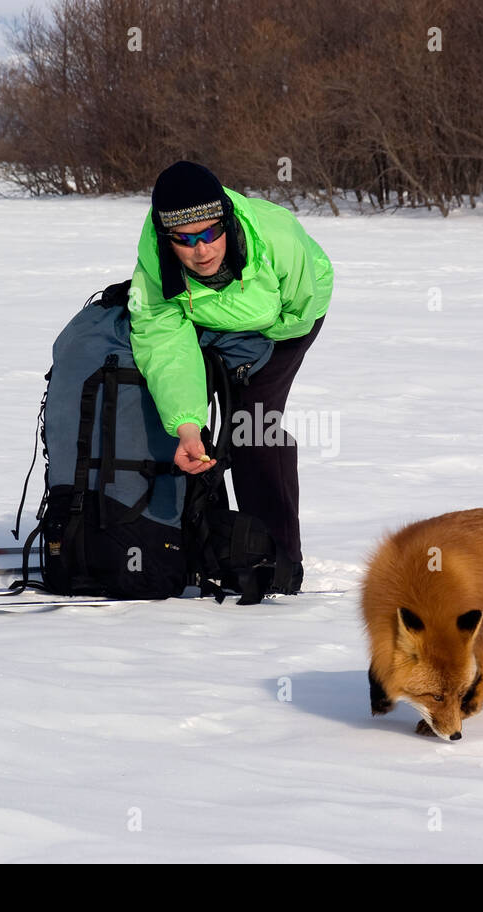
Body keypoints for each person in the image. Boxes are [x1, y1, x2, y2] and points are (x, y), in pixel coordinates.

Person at [128, 161, 333, 592]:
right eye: (185, 241)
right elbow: (165, 348)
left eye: (210, 234)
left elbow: (297, 312)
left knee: (252, 427)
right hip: (208, 323)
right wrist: (186, 425)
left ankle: (277, 561)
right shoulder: (153, 270)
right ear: (167, 240)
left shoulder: (277, 236)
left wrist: (247, 355)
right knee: (192, 431)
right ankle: (210, 544)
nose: (201, 251)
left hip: (286, 323)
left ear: (226, 221)